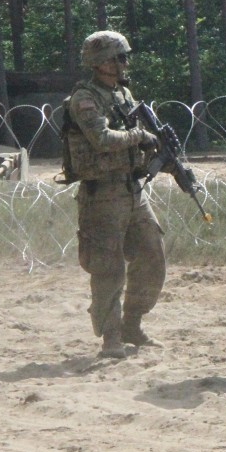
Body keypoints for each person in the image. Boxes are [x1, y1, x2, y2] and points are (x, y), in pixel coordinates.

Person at [62, 30, 165, 359]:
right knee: (108, 267)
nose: (124, 63)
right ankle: (111, 336)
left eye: (124, 57)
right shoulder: (84, 98)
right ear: (100, 62)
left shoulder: (123, 94)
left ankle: (132, 322)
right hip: (101, 193)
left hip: (131, 188)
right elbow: (102, 139)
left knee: (152, 253)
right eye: (118, 57)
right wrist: (140, 136)